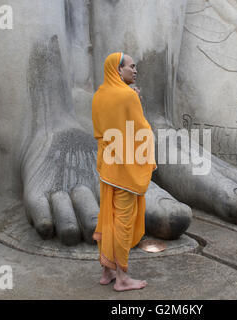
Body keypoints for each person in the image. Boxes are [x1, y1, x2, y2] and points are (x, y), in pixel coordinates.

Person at [91, 52, 156, 291]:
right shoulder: (128, 95)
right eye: (131, 66)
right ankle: (122, 278)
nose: (135, 70)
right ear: (118, 70)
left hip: (108, 166)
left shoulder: (98, 95)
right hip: (126, 171)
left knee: (107, 217)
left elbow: (105, 129)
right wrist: (136, 100)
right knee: (123, 223)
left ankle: (106, 271)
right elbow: (142, 131)